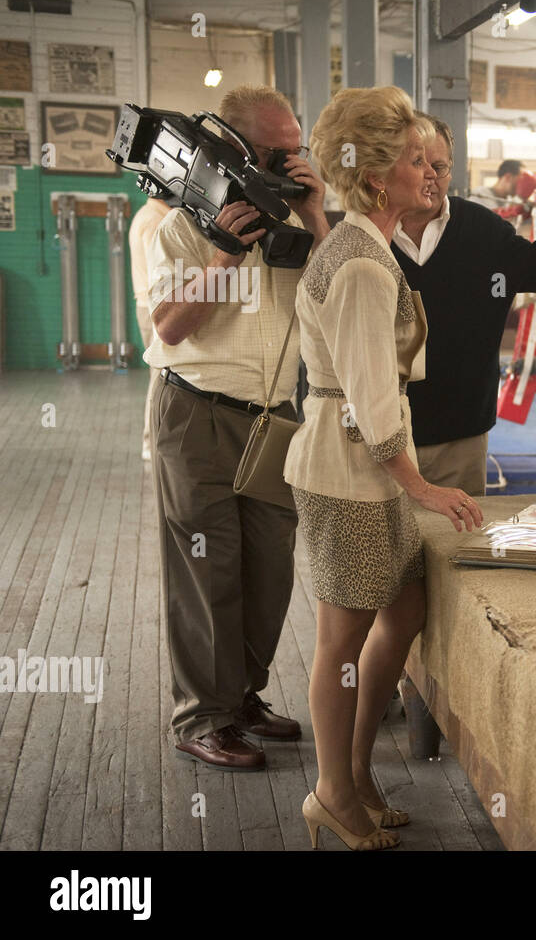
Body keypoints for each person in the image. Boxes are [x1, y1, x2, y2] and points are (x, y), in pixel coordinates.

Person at [287, 87, 484, 851]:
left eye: (434, 160)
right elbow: (373, 407)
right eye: (414, 160)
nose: (431, 172)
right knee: (341, 639)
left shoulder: (364, 245)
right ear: (376, 178)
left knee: (400, 612)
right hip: (347, 475)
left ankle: (358, 772)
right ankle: (332, 792)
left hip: (358, 473)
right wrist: (424, 486)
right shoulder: (365, 266)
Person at [146, 85, 329, 771]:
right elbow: (169, 326)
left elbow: (345, 289)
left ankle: (242, 697)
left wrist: (313, 211)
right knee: (205, 570)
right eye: (278, 153)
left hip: (276, 418)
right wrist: (223, 257)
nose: (289, 163)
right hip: (197, 414)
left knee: (269, 574)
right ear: (236, 147)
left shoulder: (298, 230)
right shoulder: (179, 227)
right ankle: (202, 716)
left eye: (298, 150)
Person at [393, 114, 536, 495]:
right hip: (379, 433)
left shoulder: (482, 229)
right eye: (417, 163)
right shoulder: (367, 233)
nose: (430, 175)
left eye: (439, 166)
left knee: (452, 549)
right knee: (378, 550)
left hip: (459, 436)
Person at [128, 196, 171, 460]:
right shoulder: (156, 220)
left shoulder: (145, 214)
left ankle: (151, 440)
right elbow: (160, 272)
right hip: (155, 307)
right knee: (159, 379)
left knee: (158, 377)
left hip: (147, 305)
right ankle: (150, 441)